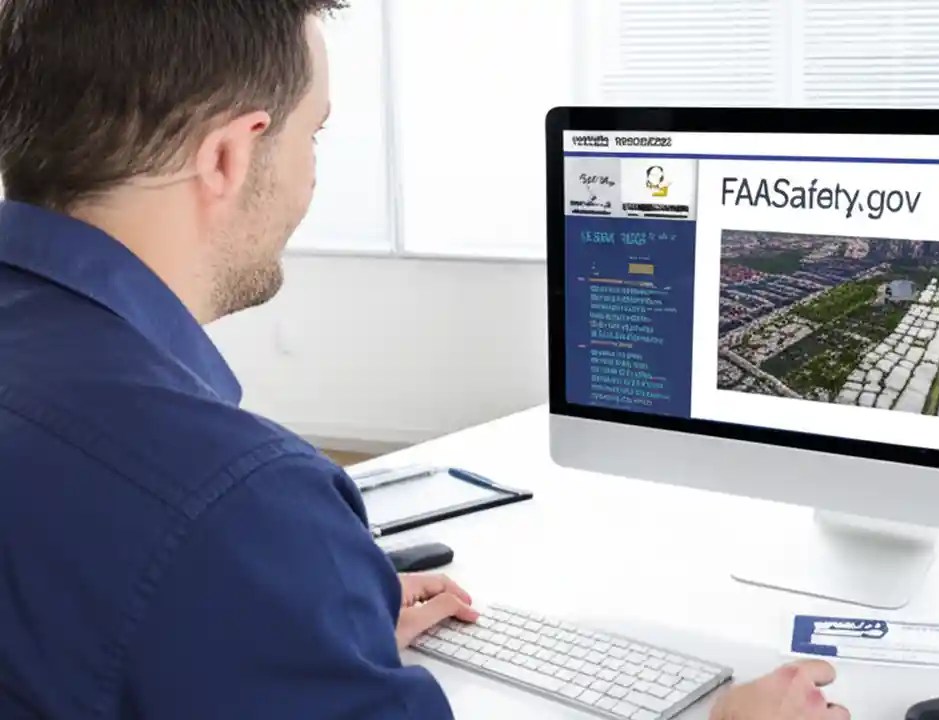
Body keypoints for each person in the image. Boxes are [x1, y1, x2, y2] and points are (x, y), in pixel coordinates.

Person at [0, 2, 849, 719]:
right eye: (314, 136)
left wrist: (302, 631)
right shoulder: (237, 505)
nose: (308, 179)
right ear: (231, 153)